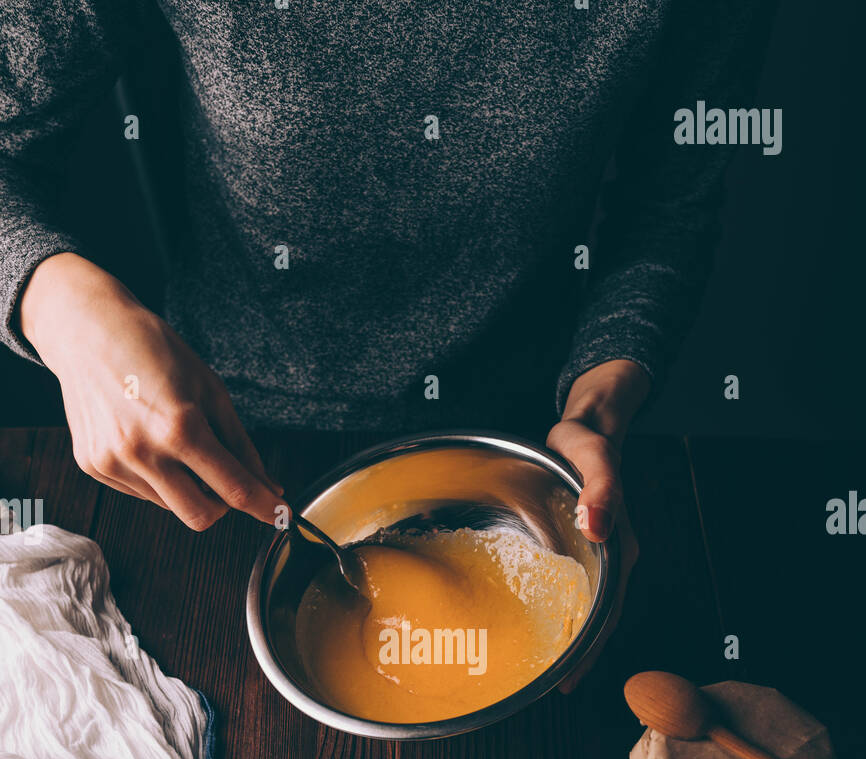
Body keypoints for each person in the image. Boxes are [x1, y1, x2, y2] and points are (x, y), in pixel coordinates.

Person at [0, 1, 775, 539]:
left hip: (521, 442)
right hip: (206, 443)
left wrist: (595, 413)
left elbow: (671, 202)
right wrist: (64, 310)